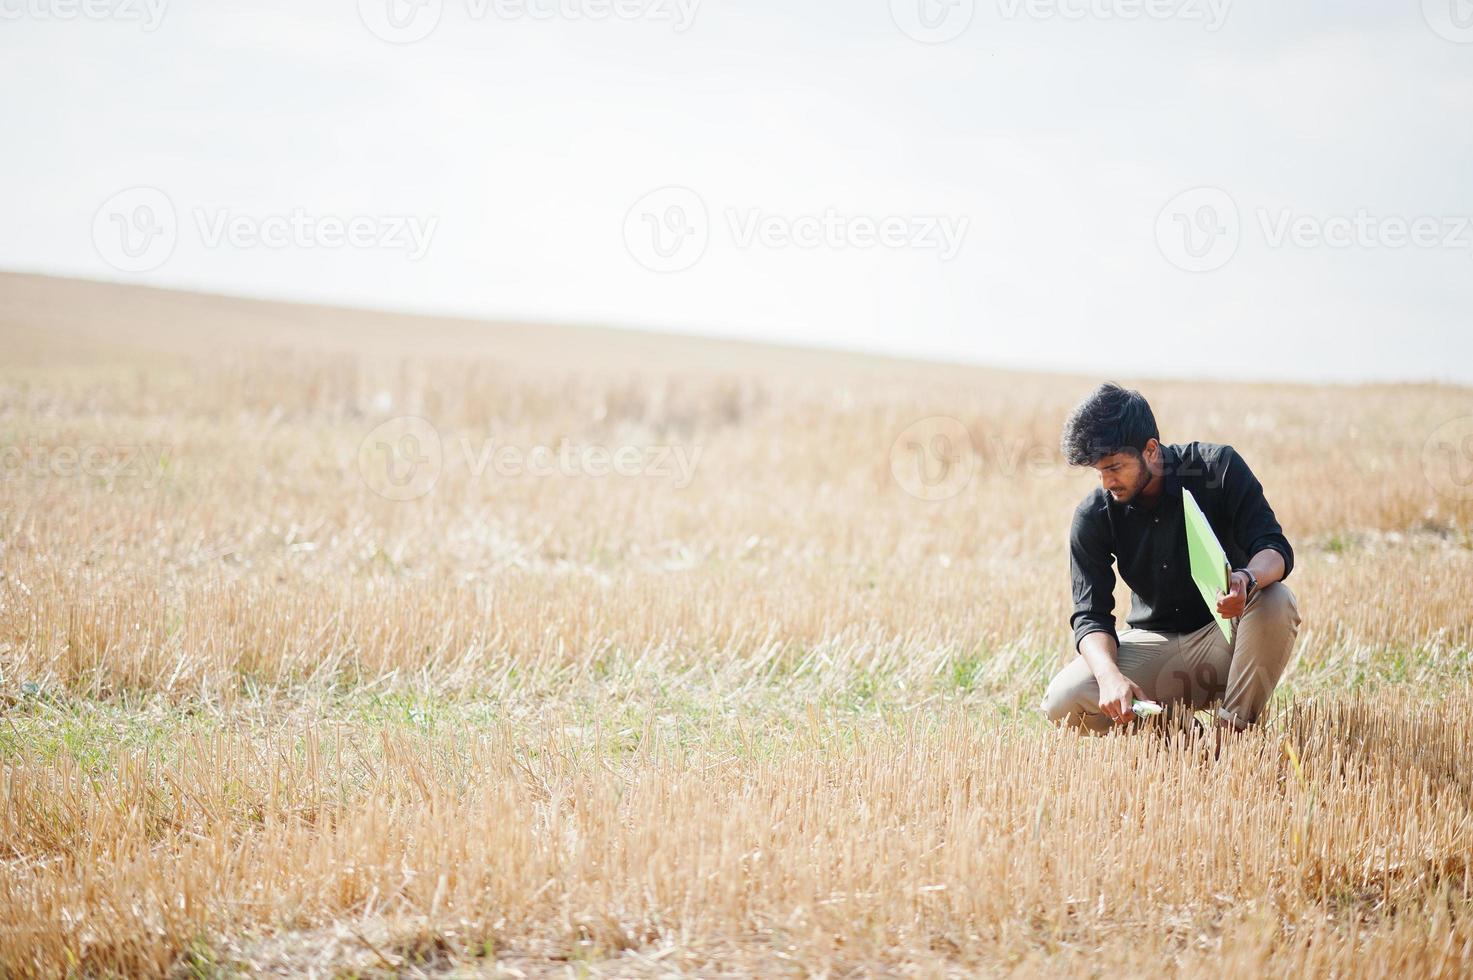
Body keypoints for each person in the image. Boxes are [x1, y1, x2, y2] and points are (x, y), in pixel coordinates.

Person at [1041, 382, 1302, 734]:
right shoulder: (1093, 515)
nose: (1106, 482)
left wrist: (1247, 578)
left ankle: (1234, 737)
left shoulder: (1218, 468)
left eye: (1115, 467)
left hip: (1229, 640)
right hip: (1153, 647)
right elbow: (1090, 616)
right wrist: (1110, 678)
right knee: (1063, 699)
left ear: (1150, 450)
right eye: (1099, 471)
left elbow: (1275, 548)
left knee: (1276, 599)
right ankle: (1180, 735)